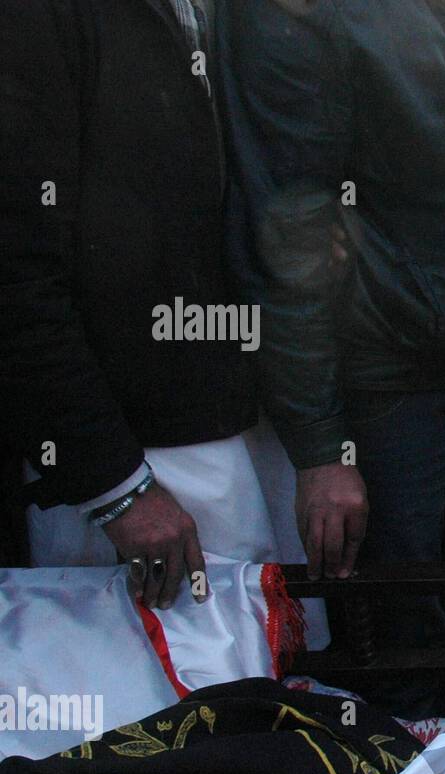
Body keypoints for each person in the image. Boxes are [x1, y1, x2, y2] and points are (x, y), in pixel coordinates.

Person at [216, 2, 445, 676]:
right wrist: (320, 447)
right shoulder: (327, 16)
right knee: (404, 654)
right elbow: (289, 227)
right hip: (387, 381)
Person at [0, 0, 294, 611]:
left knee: (268, 683)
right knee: (169, 698)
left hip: (245, 427)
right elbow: (19, 273)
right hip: (137, 467)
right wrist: (116, 488)